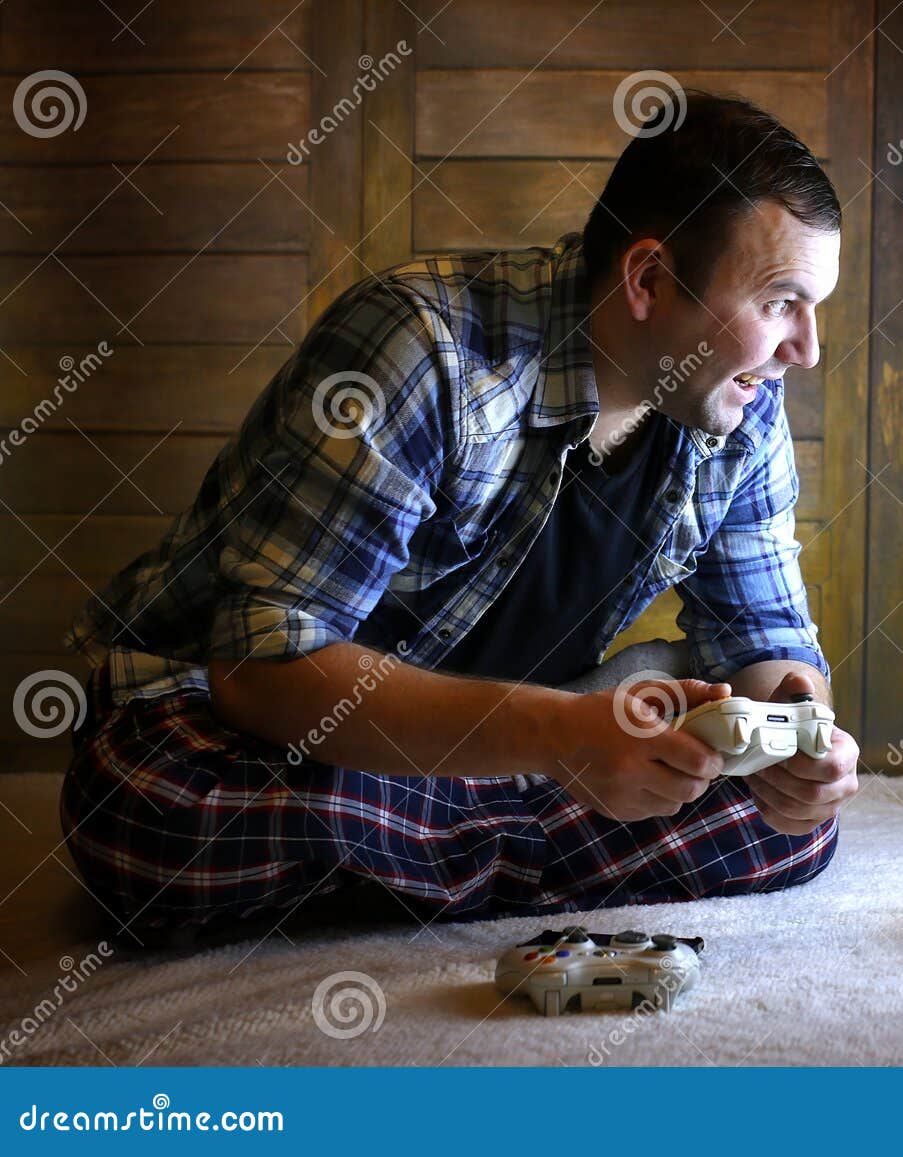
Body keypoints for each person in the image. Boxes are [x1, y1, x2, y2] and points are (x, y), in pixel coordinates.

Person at [58, 91, 858, 942]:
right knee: (151, 816)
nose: (806, 350)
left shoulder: (740, 403)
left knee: (787, 828)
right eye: (780, 302)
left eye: (815, 307)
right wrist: (559, 738)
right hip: (254, 726)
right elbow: (260, 670)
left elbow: (766, 638)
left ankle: (419, 853)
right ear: (649, 280)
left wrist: (798, 739)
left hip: (508, 745)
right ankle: (497, 835)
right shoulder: (423, 343)